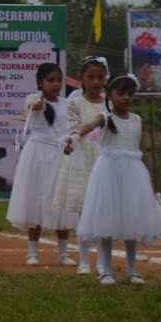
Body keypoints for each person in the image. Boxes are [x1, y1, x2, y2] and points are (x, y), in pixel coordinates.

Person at [73, 74, 161, 285]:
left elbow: (142, 151)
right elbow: (88, 126)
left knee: (132, 223)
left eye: (130, 93)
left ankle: (132, 270)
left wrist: (151, 180)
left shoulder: (137, 120)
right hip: (108, 174)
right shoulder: (105, 117)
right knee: (107, 222)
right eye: (121, 93)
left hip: (134, 175)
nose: (126, 97)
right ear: (109, 95)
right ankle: (106, 271)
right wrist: (73, 137)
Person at [5, 62, 76, 267]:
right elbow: (32, 104)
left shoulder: (66, 104)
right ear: (40, 82)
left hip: (59, 154)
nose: (55, 84)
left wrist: (69, 143)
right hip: (37, 155)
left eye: (58, 80)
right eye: (50, 80)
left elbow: (68, 129)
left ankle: (63, 253)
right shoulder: (34, 99)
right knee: (35, 201)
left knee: (61, 202)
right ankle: (32, 252)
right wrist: (37, 105)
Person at [55, 56, 109, 274]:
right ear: (81, 80)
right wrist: (69, 144)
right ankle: (85, 260)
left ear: (106, 79)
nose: (96, 81)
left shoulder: (110, 103)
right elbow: (73, 130)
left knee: (105, 210)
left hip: (105, 159)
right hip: (82, 159)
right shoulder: (74, 103)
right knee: (83, 211)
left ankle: (103, 260)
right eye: (91, 77)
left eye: (100, 77)